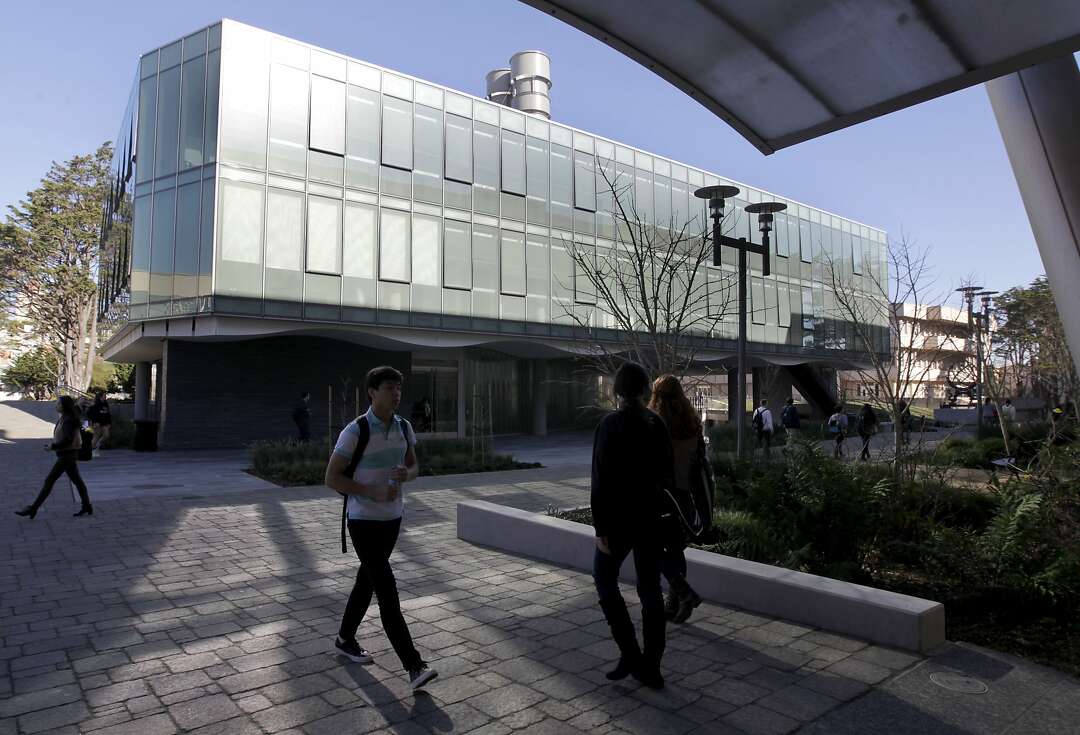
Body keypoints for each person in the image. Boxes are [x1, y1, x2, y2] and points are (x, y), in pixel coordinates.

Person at [324, 366, 437, 692]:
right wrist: (370, 491)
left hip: (393, 518)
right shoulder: (355, 431)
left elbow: (414, 466)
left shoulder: (403, 427)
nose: (396, 394)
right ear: (372, 392)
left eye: (398, 388)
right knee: (386, 588)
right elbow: (332, 477)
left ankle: (344, 639)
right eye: (389, 388)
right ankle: (414, 665)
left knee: (367, 580)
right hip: (362, 520)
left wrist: (406, 475)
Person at [592, 362, 672, 690]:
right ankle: (651, 665)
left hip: (618, 521)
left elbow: (600, 479)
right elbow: (667, 473)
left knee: (604, 579)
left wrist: (600, 528)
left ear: (617, 391)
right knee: (650, 589)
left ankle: (629, 652)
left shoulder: (610, 425)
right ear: (644, 389)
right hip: (650, 518)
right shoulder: (656, 423)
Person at [648, 375, 704, 625]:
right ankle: (674, 602)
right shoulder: (692, 422)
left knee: (650, 547)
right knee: (675, 548)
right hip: (685, 495)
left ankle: (683, 593)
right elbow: (699, 459)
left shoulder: (653, 423)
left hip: (661, 496)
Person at [15, 395, 93, 519]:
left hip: (67, 455)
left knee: (50, 480)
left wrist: (53, 446)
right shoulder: (67, 416)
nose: (56, 405)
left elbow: (68, 440)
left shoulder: (69, 420)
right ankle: (87, 506)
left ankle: (33, 508)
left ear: (64, 406)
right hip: (68, 454)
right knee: (77, 481)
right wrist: (78, 404)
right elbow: (75, 410)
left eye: (58, 403)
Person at [86, 391, 112, 458]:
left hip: (105, 423)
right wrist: (94, 422)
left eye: (105, 396)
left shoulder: (105, 404)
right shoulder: (95, 404)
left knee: (106, 435)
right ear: (100, 397)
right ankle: (90, 451)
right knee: (96, 437)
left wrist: (109, 422)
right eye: (104, 396)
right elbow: (89, 414)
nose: (105, 397)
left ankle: (98, 444)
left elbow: (108, 414)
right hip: (97, 423)